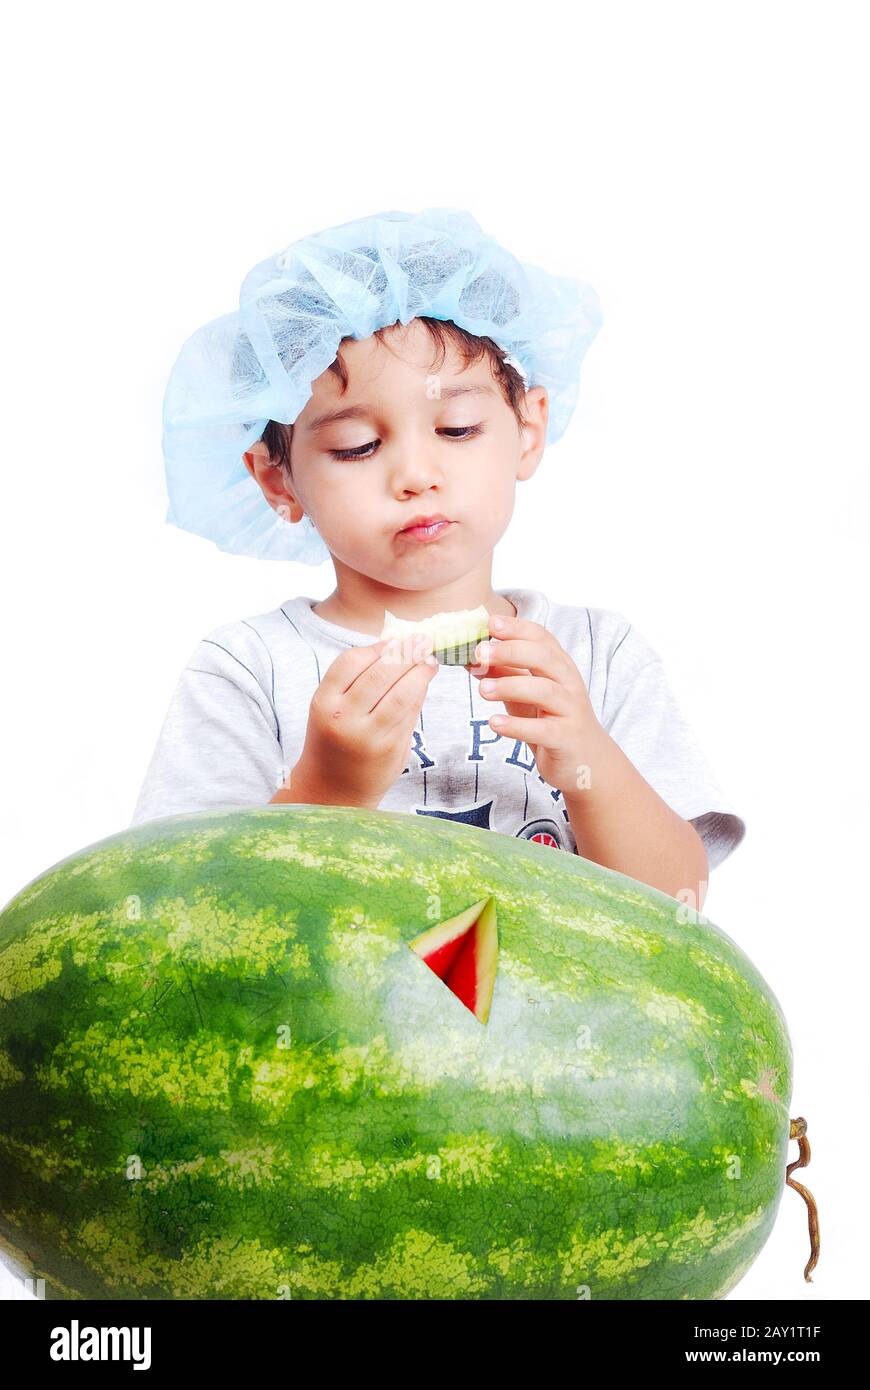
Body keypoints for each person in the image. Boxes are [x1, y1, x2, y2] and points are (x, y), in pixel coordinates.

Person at [130, 208, 745, 909]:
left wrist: (586, 755)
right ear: (278, 479)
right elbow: (185, 914)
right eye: (358, 446)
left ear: (528, 430)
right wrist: (327, 791)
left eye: (457, 428)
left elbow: (678, 909)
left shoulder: (598, 658)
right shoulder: (249, 669)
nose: (415, 475)